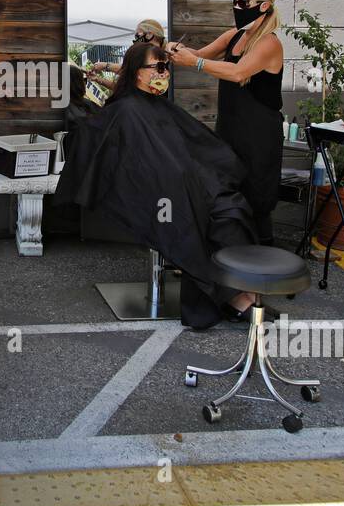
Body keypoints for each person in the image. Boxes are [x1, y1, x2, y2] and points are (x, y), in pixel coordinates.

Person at [54, 40, 267, 329]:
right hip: (157, 195)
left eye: (166, 67)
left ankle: (239, 292)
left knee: (232, 209)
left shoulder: (156, 106)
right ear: (137, 73)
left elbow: (186, 149)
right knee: (200, 215)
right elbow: (135, 163)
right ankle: (232, 297)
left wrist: (202, 175)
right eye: (158, 67)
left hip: (181, 183)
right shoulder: (125, 111)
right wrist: (180, 179)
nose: (164, 73)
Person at [168, 0, 284, 246]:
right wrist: (176, 49)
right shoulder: (235, 35)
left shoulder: (269, 43)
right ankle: (231, 256)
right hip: (231, 127)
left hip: (258, 134)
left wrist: (195, 62)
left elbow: (238, 72)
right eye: (235, 2)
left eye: (243, 2)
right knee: (230, 189)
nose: (237, 7)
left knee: (256, 197)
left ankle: (260, 267)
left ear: (264, 6)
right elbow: (200, 53)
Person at [86, 18, 165, 80]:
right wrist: (98, 79)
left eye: (138, 36)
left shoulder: (162, 56)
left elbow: (131, 71)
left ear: (150, 34)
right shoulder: (151, 54)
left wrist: (106, 66)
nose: (136, 40)